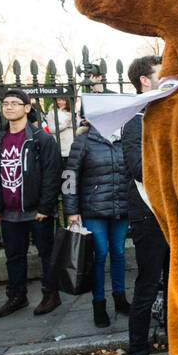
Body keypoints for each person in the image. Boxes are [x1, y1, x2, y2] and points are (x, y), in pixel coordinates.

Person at [0, 88, 62, 317]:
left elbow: (52, 174)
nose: (9, 107)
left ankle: (51, 295)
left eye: (15, 103)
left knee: (46, 254)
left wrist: (45, 207)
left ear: (27, 109)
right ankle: (16, 296)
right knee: (14, 256)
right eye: (5, 103)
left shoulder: (42, 139)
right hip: (9, 211)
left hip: (36, 210)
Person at [122, 57, 171, 355]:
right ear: (144, 81)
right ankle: (138, 352)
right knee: (148, 284)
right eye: (160, 75)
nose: (167, 79)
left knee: (177, 285)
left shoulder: (168, 117)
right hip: (148, 215)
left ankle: (177, 339)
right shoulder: (134, 122)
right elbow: (139, 168)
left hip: (174, 216)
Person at [64, 106, 130, 327]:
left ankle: (120, 299)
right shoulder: (83, 142)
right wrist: (72, 210)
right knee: (100, 255)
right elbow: (69, 177)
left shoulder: (125, 140)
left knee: (119, 253)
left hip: (121, 207)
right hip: (93, 210)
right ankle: (99, 303)